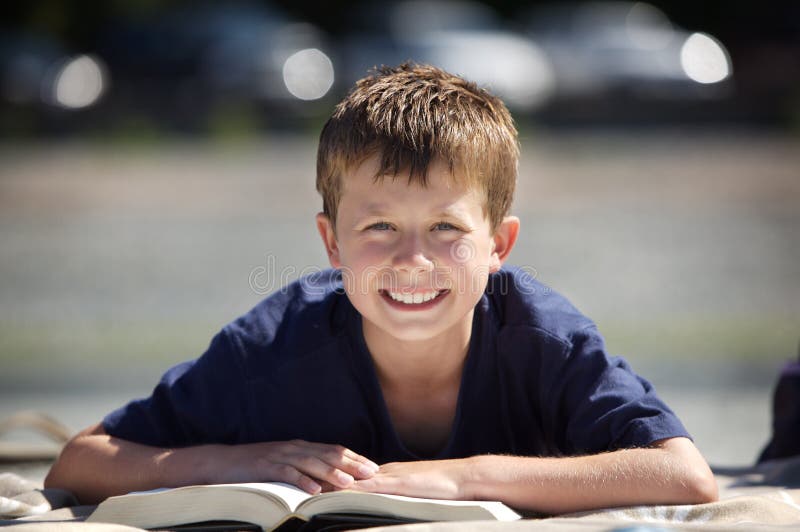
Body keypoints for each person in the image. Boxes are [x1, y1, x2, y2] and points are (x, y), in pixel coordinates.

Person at [45, 63, 717, 513]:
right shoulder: (275, 345)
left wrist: (459, 478)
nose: (413, 259)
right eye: (380, 227)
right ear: (331, 242)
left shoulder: (541, 338)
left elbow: (684, 476)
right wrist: (238, 460)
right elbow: (80, 463)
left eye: (447, 227)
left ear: (498, 248)